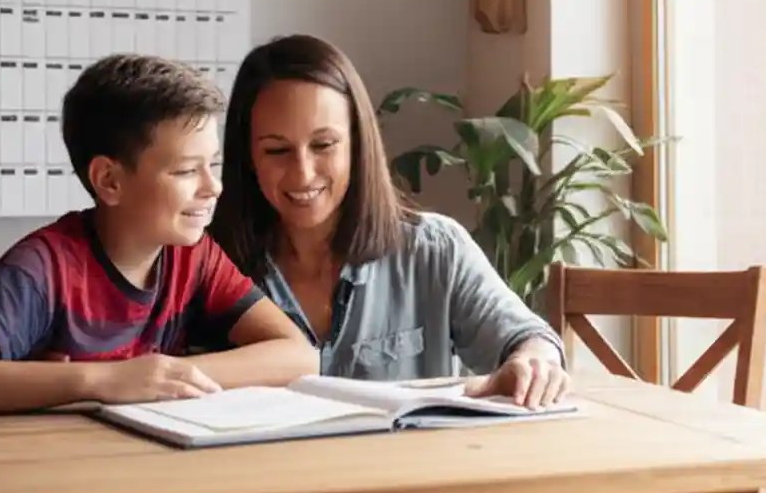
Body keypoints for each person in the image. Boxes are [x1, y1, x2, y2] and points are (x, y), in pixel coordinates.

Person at [0, 55, 317, 413]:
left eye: (214, 164)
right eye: (188, 170)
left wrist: (162, 379)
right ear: (110, 181)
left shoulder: (195, 257)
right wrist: (102, 381)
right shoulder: (46, 267)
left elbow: (298, 355)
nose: (213, 187)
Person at [209, 34, 570, 410]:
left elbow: (526, 337)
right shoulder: (204, 265)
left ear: (357, 145)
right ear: (248, 157)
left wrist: (534, 362)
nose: (303, 173)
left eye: (324, 145)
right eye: (277, 150)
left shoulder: (434, 249)